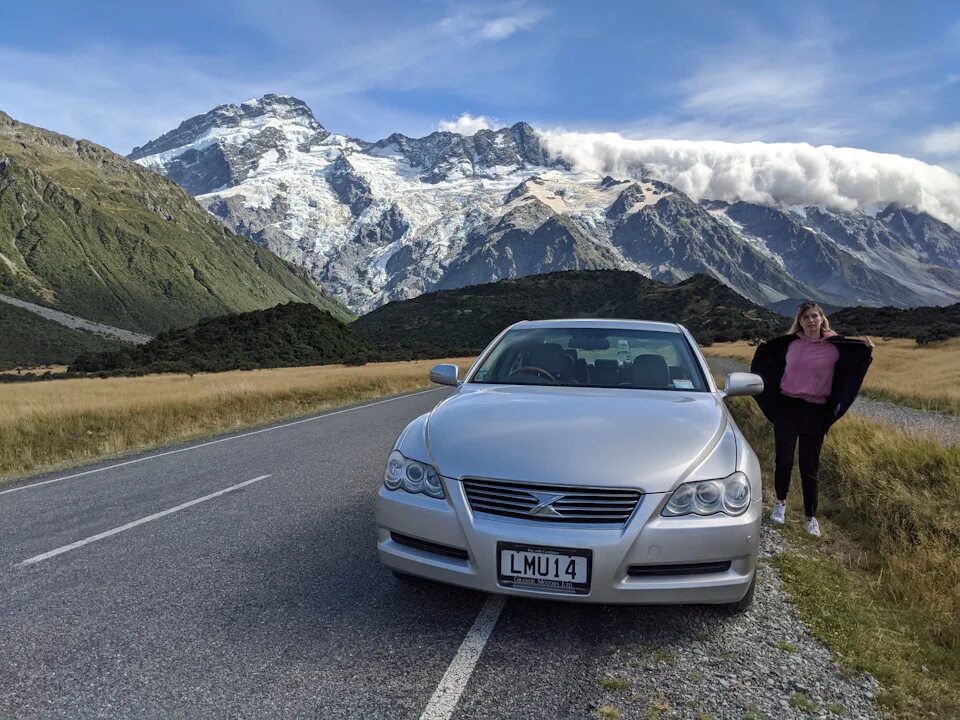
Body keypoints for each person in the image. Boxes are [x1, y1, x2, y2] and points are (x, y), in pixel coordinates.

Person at [750, 301, 873, 537]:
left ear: (822, 318)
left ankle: (811, 517)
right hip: (788, 407)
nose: (810, 321)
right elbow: (771, 359)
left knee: (810, 464)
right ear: (800, 321)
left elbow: (851, 368)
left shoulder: (835, 346)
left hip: (816, 411)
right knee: (784, 460)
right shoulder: (791, 344)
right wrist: (764, 349)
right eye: (805, 317)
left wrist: (866, 352)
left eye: (814, 316)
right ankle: (781, 503)